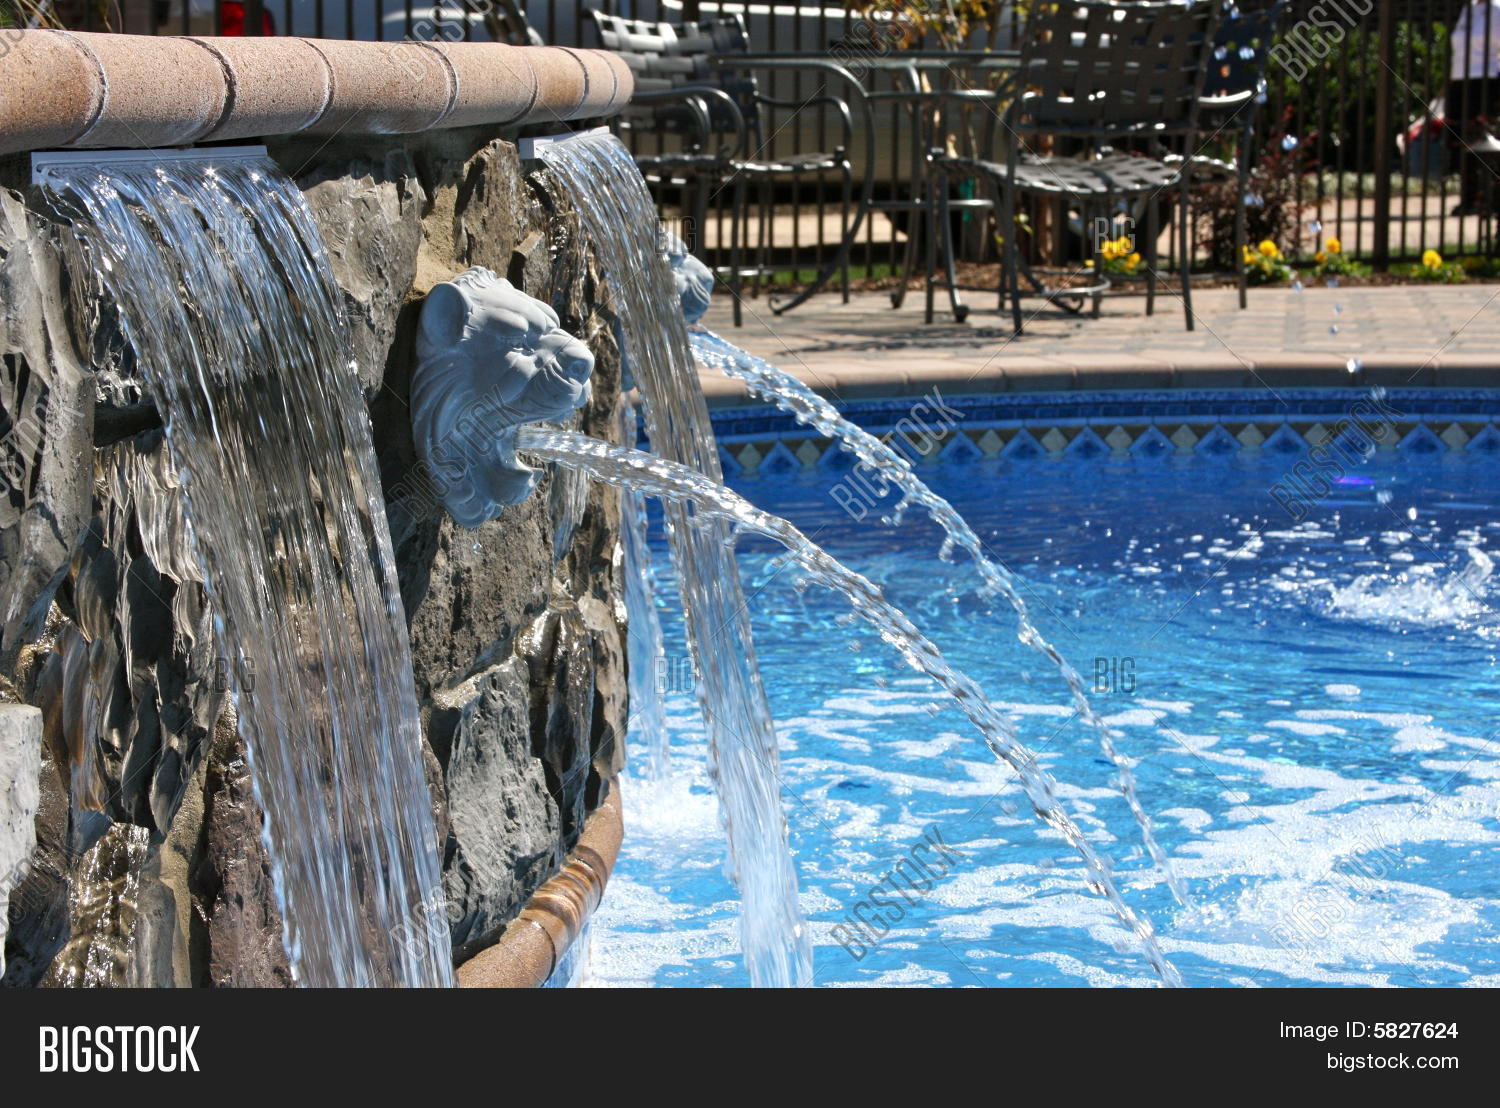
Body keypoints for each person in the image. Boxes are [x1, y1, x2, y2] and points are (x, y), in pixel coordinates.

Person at [1447, 0, 1500, 214]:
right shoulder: (1467, 9)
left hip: (1486, 80)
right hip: (1460, 81)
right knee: (1460, 140)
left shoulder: (1495, 8)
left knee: (1483, 140)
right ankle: (1469, 196)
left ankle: (1490, 197)